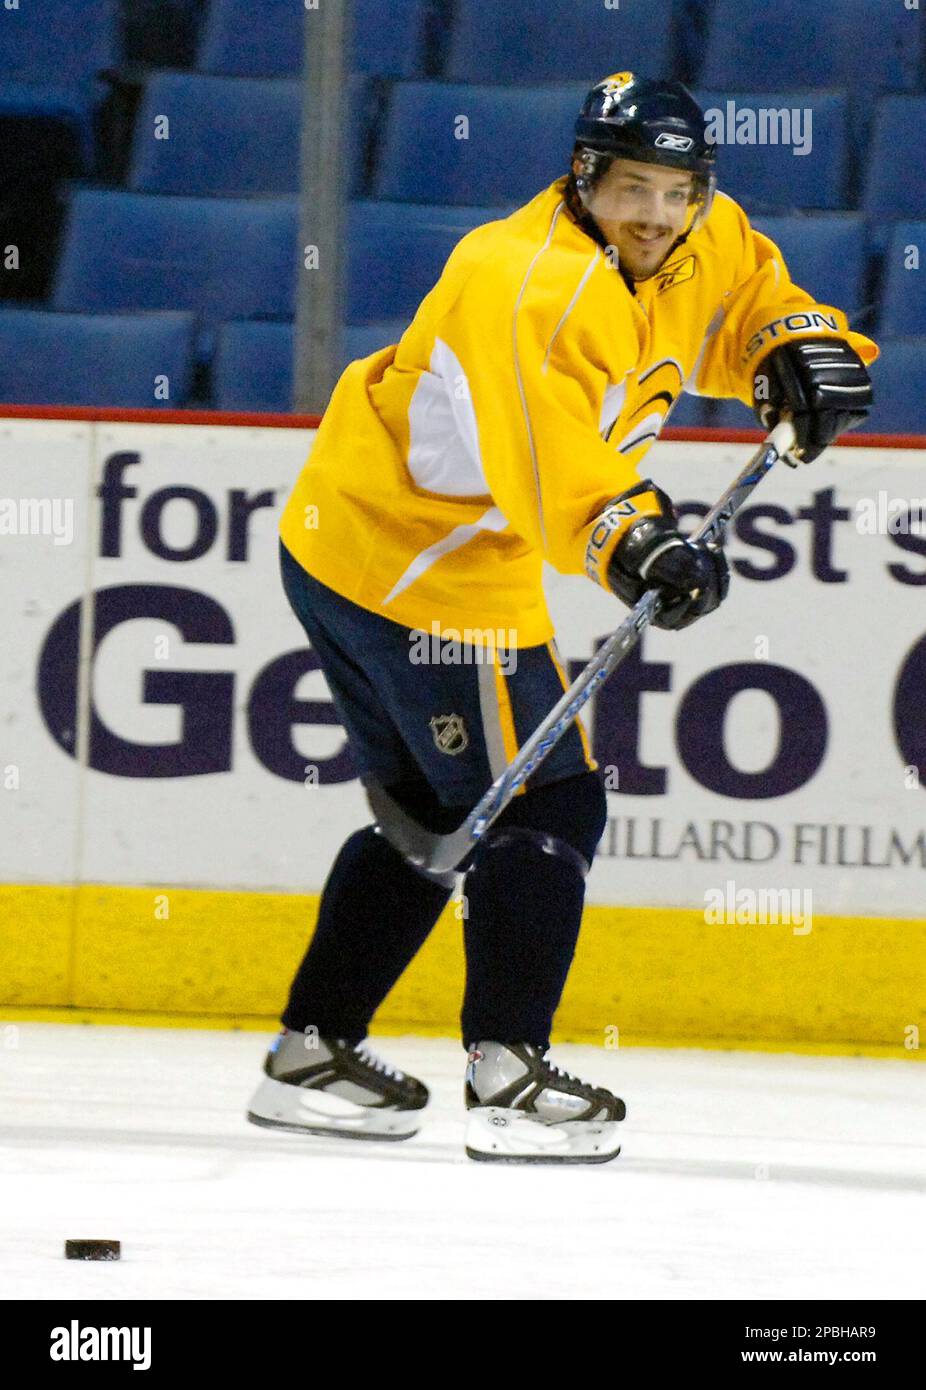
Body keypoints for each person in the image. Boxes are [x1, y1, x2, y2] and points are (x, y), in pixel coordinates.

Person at [247, 73, 876, 1163]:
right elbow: (551, 465)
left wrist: (795, 348)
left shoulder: (703, 232)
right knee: (551, 802)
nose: (652, 213)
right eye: (629, 186)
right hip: (416, 564)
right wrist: (636, 541)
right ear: (581, 178)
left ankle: (312, 1050)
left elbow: (742, 303)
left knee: (430, 816)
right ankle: (507, 1072)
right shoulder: (525, 282)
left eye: (674, 190)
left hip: (348, 539)